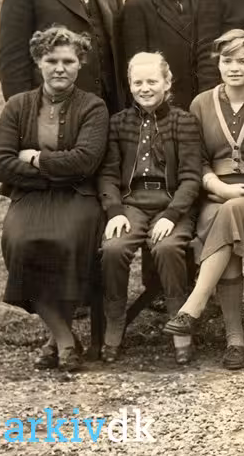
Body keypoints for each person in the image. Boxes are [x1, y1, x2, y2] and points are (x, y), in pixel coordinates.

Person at [166, 30, 244, 370]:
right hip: (216, 193)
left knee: (231, 215)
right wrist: (217, 186)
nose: (235, 67)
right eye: (227, 60)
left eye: (243, 61)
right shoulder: (201, 103)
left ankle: (195, 305)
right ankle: (235, 339)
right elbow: (196, 158)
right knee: (226, 224)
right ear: (218, 64)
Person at [0, 27, 110, 372]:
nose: (60, 68)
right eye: (52, 60)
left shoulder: (93, 106)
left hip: (78, 196)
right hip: (30, 198)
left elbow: (85, 162)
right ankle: (63, 336)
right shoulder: (18, 105)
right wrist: (54, 171)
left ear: (80, 64)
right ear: (38, 63)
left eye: (68, 61)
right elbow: (1, 164)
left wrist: (34, 159)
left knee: (69, 239)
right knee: (21, 241)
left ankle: (56, 338)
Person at [97, 53, 201, 364]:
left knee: (168, 248)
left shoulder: (184, 122)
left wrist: (171, 215)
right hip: (131, 204)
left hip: (171, 206)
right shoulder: (118, 123)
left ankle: (179, 323)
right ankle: (115, 321)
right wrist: (114, 210)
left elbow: (191, 177)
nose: (145, 88)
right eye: (138, 82)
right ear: (129, 85)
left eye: (152, 81)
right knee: (114, 248)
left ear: (167, 83)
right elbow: (108, 173)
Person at [120, 0, 200, 108]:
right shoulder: (137, 7)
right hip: (158, 104)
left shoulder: (201, 2)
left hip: (197, 101)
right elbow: (135, 67)